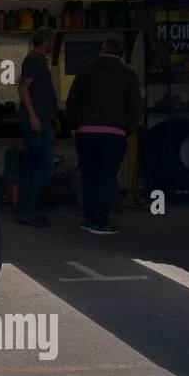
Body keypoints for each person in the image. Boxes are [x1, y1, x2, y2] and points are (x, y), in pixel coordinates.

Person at [65, 37, 142, 236]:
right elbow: (135, 109)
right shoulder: (129, 75)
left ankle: (89, 218)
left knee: (89, 176)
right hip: (114, 133)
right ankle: (100, 221)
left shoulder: (85, 72)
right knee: (106, 177)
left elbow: (72, 102)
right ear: (121, 53)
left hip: (87, 132)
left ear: (102, 49)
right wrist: (128, 132)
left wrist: (74, 126)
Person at [16, 29, 58, 228]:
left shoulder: (37, 60)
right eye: (52, 41)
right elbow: (23, 87)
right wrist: (34, 116)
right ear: (47, 42)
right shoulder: (34, 59)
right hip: (37, 121)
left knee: (33, 167)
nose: (53, 45)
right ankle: (27, 210)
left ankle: (26, 210)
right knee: (45, 167)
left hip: (41, 120)